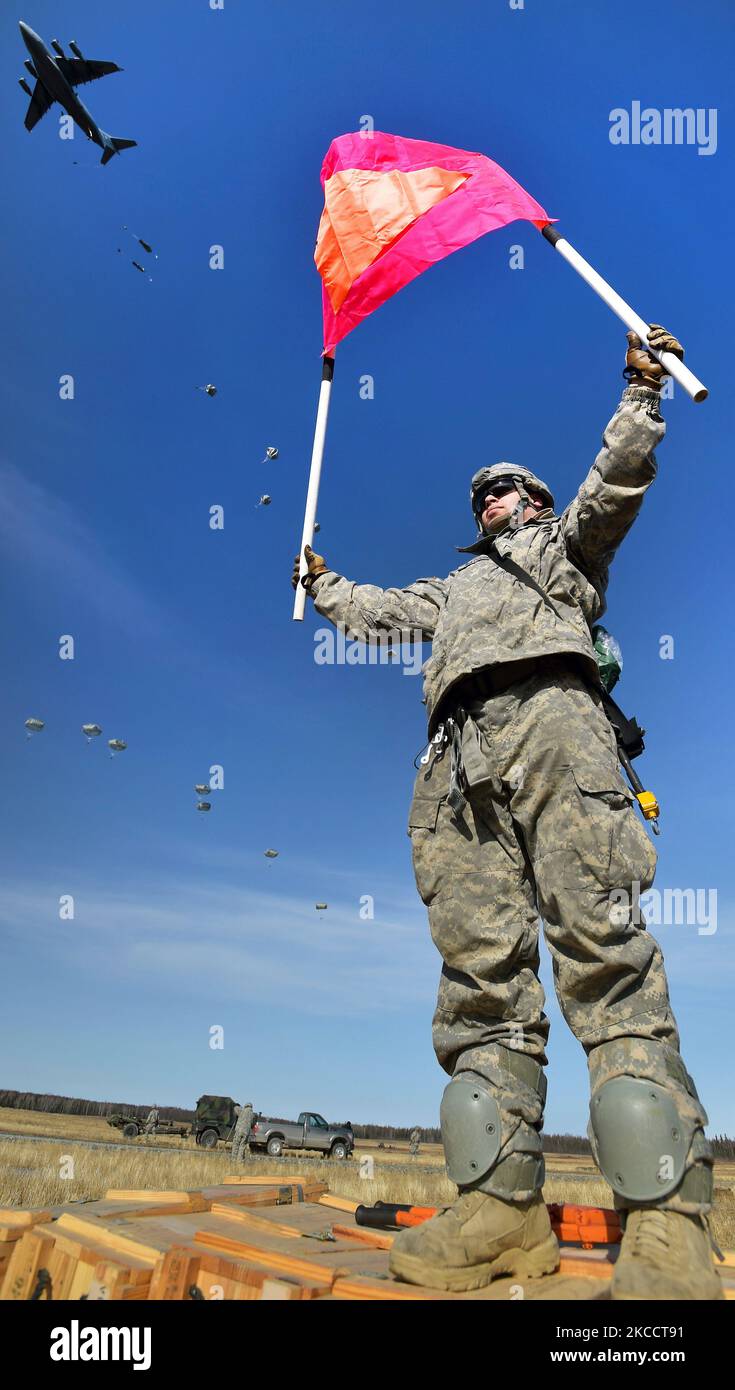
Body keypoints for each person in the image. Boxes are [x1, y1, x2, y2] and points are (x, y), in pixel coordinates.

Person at [292, 328, 721, 1300]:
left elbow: (612, 490)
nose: (491, 499)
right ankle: (499, 1209)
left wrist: (639, 393)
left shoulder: (561, 554)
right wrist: (320, 585)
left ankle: (665, 1223)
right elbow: (374, 611)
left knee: (603, 952)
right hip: (453, 758)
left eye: (508, 488)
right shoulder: (451, 590)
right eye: (481, 493)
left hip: (558, 724)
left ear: (532, 502)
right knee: (480, 980)